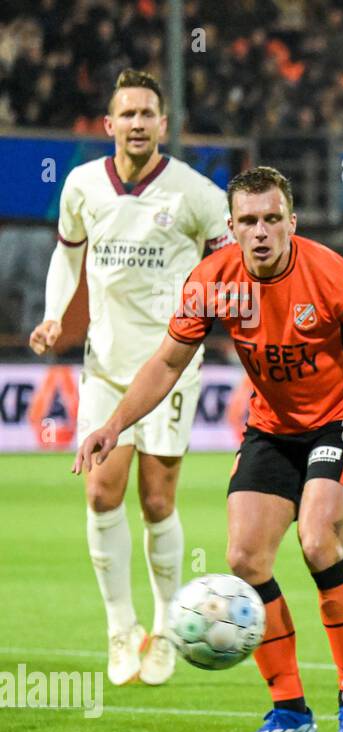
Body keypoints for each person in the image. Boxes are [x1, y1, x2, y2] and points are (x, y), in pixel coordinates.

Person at [75, 166, 343, 732]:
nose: (260, 232)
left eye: (271, 219)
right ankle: (289, 710)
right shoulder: (212, 279)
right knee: (244, 559)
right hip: (271, 427)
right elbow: (166, 364)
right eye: (247, 221)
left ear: (292, 221)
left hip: (341, 424)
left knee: (318, 542)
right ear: (231, 227)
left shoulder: (333, 276)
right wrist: (113, 425)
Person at [32, 69, 234, 687]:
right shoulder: (82, 185)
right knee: (99, 493)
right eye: (129, 114)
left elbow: (229, 265)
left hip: (173, 368)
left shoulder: (197, 193)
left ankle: (169, 626)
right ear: (109, 125)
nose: (139, 124)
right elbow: (69, 254)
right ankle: (122, 628)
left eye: (149, 114)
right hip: (105, 366)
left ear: (164, 125)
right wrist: (51, 316)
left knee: (156, 501)